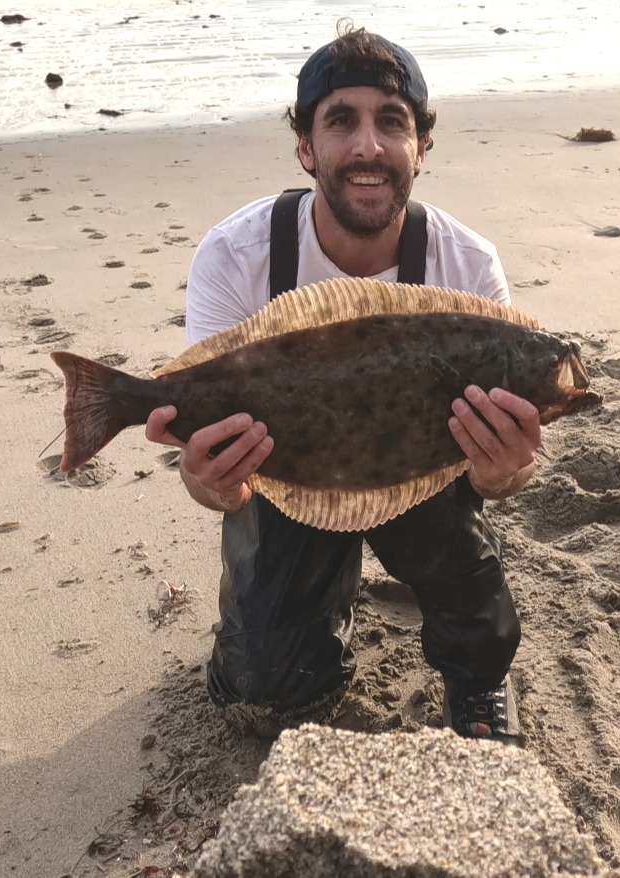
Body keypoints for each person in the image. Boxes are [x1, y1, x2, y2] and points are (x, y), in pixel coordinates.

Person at [143, 26, 538, 745]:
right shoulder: (236, 256)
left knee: (475, 602)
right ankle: (297, 616)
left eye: (392, 121)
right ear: (306, 147)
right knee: (261, 697)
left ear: (421, 145)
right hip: (292, 464)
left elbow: (499, 472)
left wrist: (506, 472)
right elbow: (215, 443)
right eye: (340, 121)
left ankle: (478, 675)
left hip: (419, 473)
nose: (367, 146)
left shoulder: (469, 268)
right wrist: (213, 484)